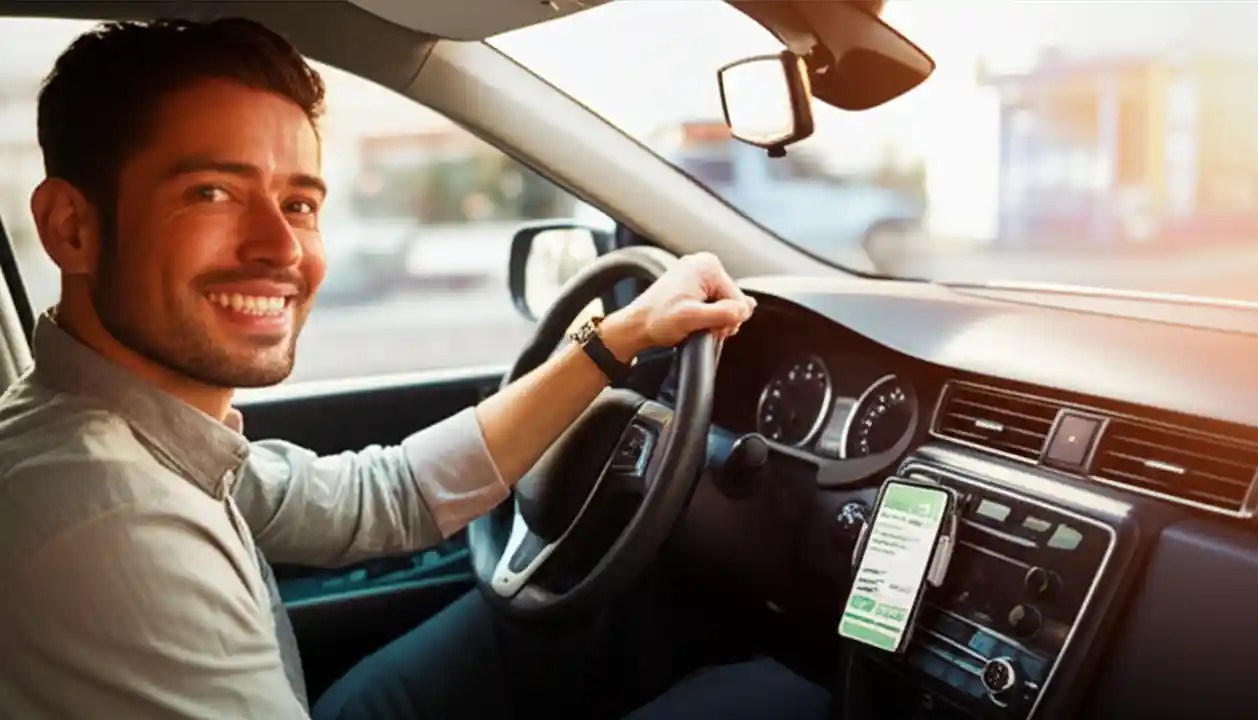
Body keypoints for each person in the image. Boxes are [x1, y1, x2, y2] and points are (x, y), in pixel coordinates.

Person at [0, 17, 831, 719]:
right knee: (769, 700)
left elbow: (383, 496)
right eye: (212, 193)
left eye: (298, 203)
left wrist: (616, 341)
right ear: (71, 228)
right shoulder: (105, 522)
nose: (279, 247)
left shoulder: (135, 431)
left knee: (609, 626)